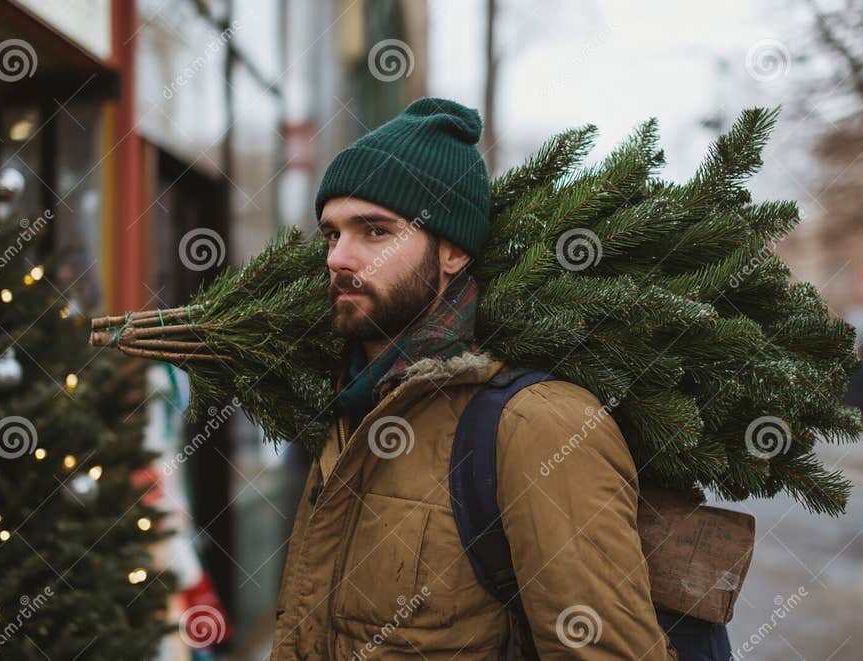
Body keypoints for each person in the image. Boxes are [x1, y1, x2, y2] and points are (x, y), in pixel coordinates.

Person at [269, 97, 677, 660]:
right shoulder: (348, 407)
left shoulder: (537, 424)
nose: (339, 256)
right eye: (332, 234)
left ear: (453, 250)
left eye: (375, 231)